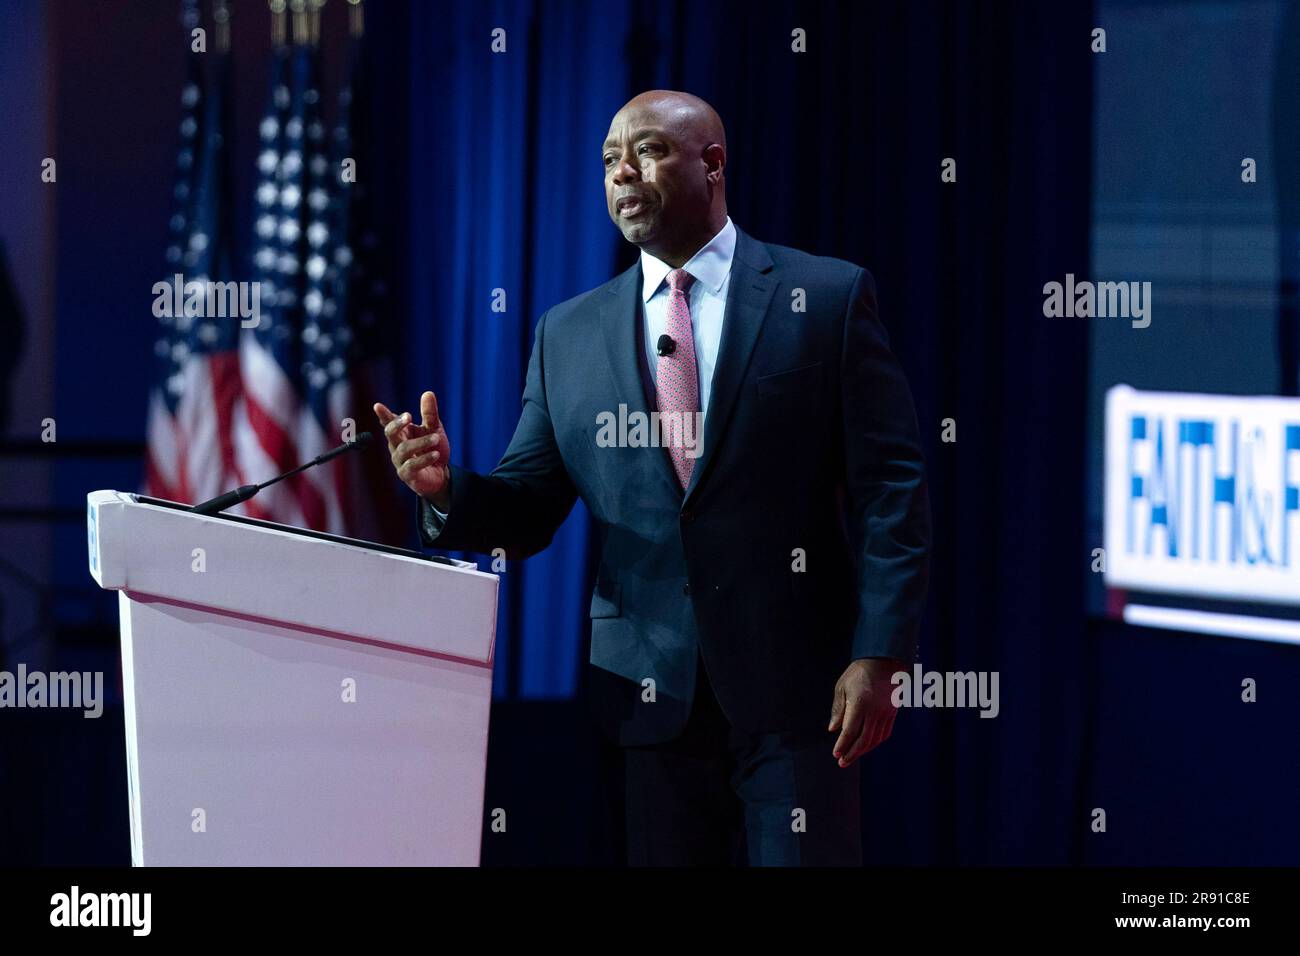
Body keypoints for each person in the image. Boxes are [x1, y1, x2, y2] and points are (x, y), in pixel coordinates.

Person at [375, 90, 931, 866]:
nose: (623, 172)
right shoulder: (568, 333)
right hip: (645, 697)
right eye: (608, 161)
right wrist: (443, 490)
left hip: (800, 695)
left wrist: (881, 654)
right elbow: (529, 505)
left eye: (649, 151)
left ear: (713, 164)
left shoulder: (824, 299)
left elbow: (890, 489)